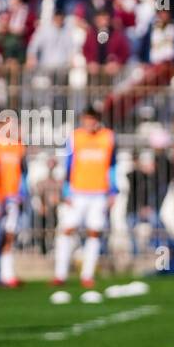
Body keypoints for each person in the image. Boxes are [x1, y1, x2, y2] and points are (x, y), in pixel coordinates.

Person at [53, 106, 116, 288]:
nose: (89, 123)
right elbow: (67, 164)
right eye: (86, 119)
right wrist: (66, 191)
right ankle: (60, 274)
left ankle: (87, 275)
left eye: (92, 119)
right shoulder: (75, 137)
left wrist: (113, 191)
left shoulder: (108, 137)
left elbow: (112, 166)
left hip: (99, 193)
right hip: (77, 192)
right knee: (67, 229)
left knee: (94, 232)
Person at [0, 114, 26, 288]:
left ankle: (6, 273)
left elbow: (22, 172)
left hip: (12, 197)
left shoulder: (18, 146)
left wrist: (21, 193)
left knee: (8, 235)